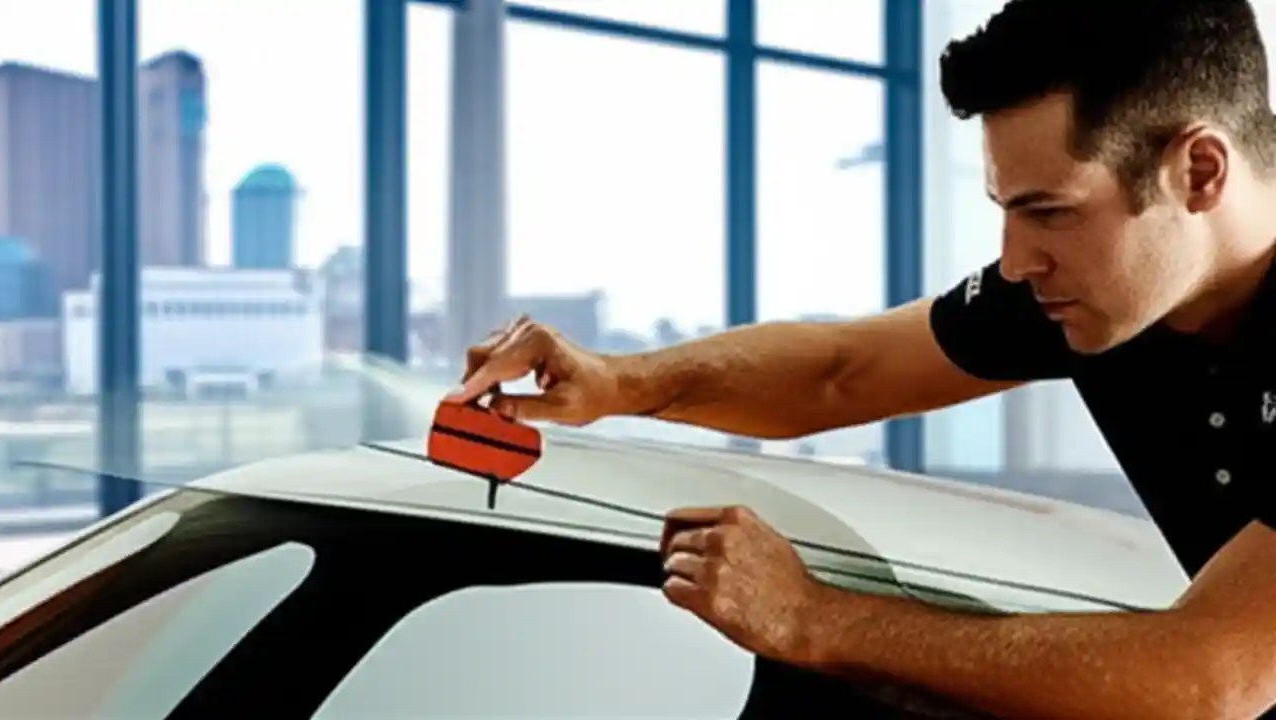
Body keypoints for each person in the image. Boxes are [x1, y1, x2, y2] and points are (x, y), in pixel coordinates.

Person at [447, 0, 1276, 716]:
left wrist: (813, 620)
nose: (1017, 260)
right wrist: (620, 382)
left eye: (1048, 211)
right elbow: (840, 369)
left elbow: (1211, 682)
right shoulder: (1105, 285)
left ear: (1197, 171)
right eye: (1005, 211)